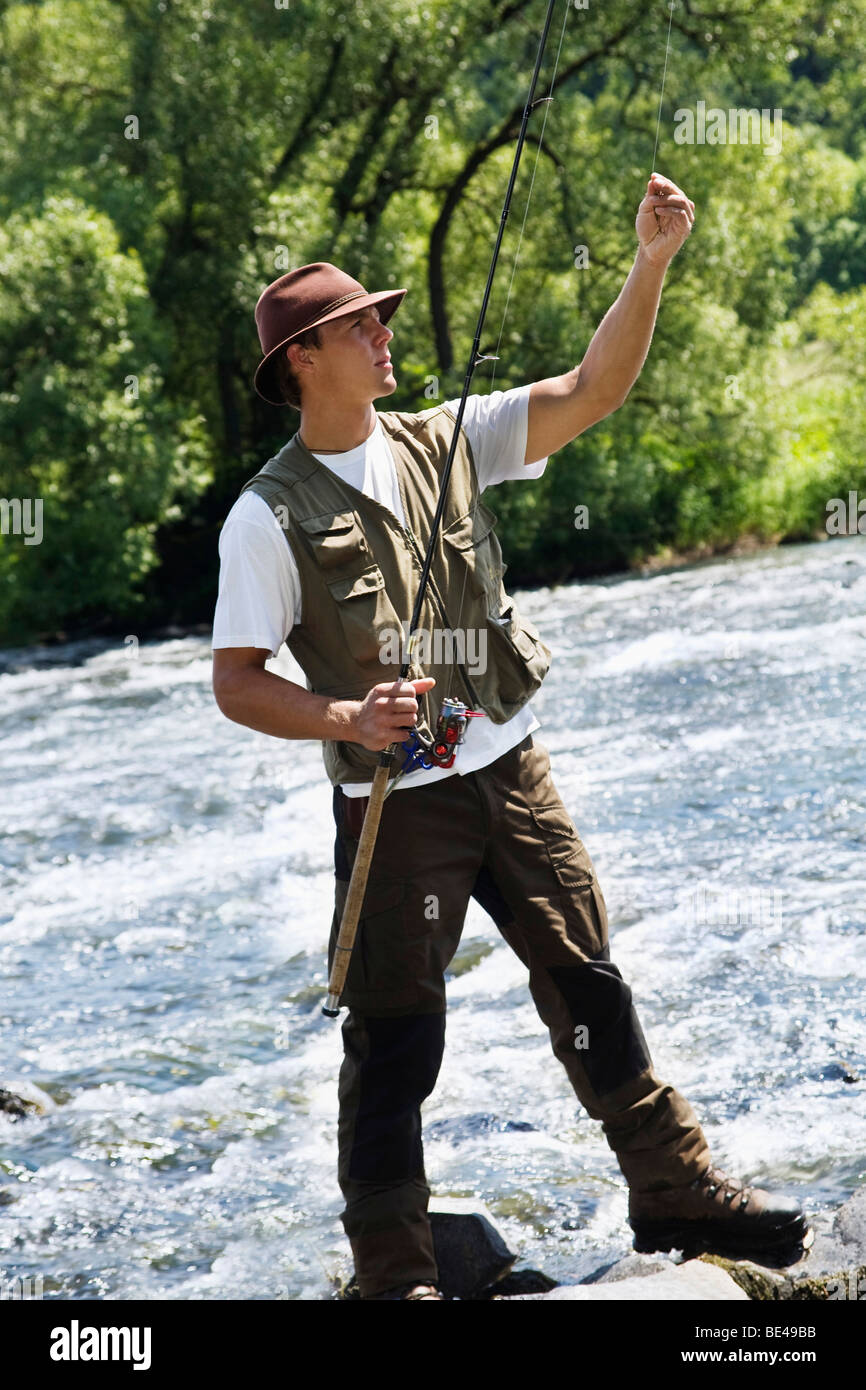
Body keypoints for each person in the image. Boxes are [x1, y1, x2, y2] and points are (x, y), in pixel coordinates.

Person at [211, 173, 807, 1300]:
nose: (384, 336)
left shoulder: (449, 438)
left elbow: (592, 388)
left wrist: (649, 263)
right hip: (395, 805)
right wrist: (343, 715)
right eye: (358, 326)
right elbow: (236, 682)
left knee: (588, 984)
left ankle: (671, 1190)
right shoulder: (264, 514)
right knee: (397, 1042)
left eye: (382, 318)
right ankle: (394, 1271)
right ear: (302, 358)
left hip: (510, 772)